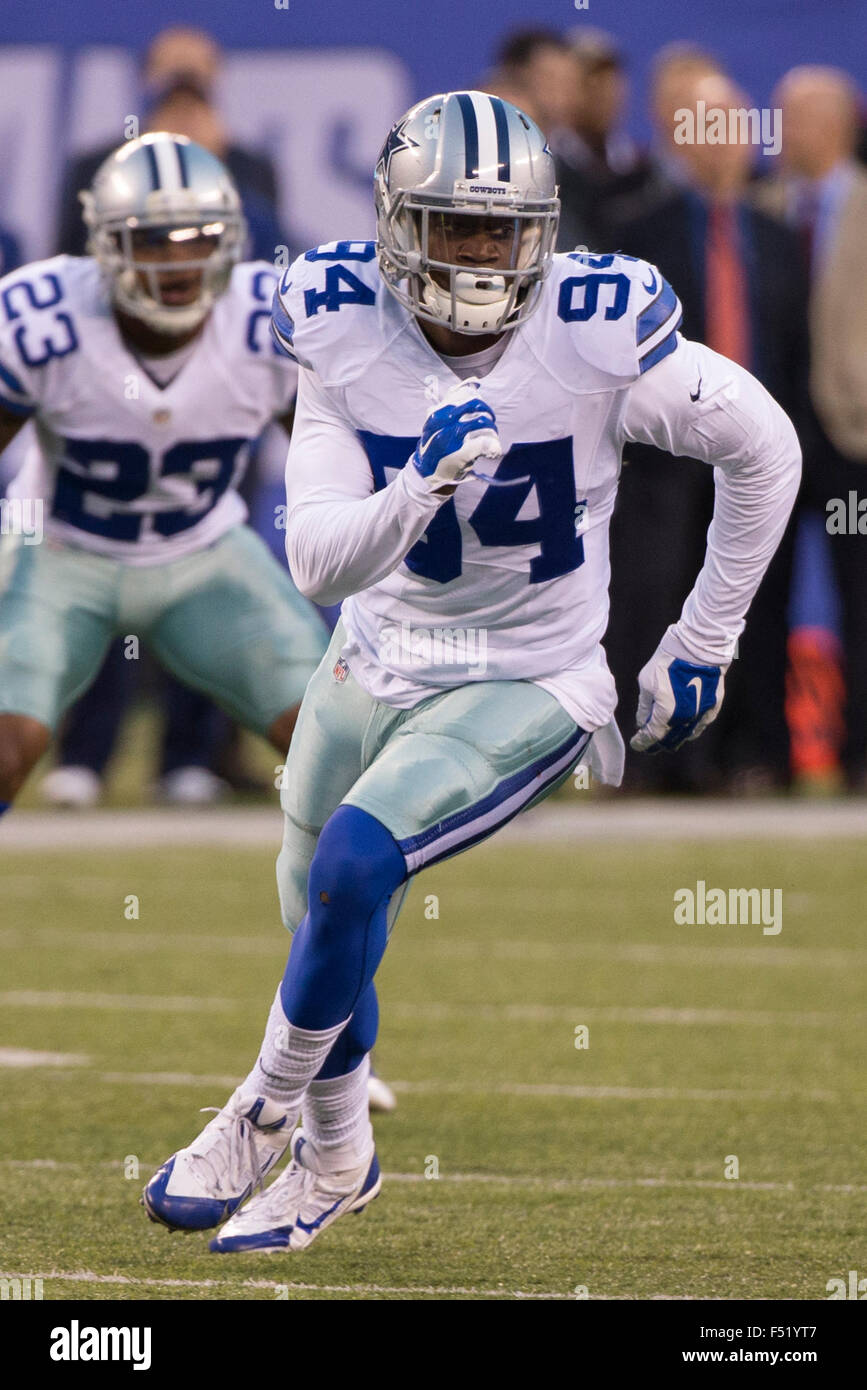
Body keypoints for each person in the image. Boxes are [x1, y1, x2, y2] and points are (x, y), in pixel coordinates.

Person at [142, 92, 800, 1253]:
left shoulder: (595, 328)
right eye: (454, 226)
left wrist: (706, 637)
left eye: (502, 229)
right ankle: (338, 1159)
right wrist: (421, 488)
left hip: (533, 674)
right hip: (377, 648)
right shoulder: (343, 321)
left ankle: (259, 1110)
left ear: (540, 229)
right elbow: (314, 556)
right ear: (399, 227)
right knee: (320, 908)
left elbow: (766, 447)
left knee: (355, 857)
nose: (482, 254)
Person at [0, 133, 327, 815]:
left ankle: (330, 916)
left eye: (198, 238)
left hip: (204, 555)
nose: (178, 261)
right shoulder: (45, 318)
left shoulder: (269, 322)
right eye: (152, 240)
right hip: (58, 551)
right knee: (6, 748)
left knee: (337, 746)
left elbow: (334, 467)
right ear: (106, 245)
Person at [611, 70, 810, 792]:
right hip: (666, 461)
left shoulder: (779, 235)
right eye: (706, 123)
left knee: (756, 601)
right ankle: (649, 760)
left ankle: (752, 759)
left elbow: (795, 349)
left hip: (759, 455)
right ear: (674, 133)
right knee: (655, 598)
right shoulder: (639, 232)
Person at [754, 67, 867, 790]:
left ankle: (859, 757)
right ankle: (761, 756)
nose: (780, 132)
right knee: (757, 597)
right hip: (767, 437)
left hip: (852, 436)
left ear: (834, 124)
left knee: (861, 594)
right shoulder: (757, 210)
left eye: (793, 117)